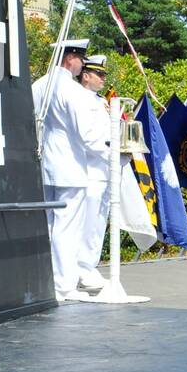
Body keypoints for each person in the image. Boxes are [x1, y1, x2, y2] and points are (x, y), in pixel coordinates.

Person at [33, 39, 111, 301]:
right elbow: (88, 136)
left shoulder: (38, 86)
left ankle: (47, 281)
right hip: (71, 168)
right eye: (80, 59)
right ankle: (63, 286)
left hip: (47, 165)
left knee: (49, 226)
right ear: (70, 59)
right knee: (67, 229)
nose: (82, 65)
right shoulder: (72, 90)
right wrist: (113, 153)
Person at [76, 56, 113, 293]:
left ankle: (89, 265)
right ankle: (80, 268)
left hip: (104, 171)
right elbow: (87, 138)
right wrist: (111, 152)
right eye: (99, 74)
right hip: (88, 169)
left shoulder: (100, 101)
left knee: (99, 222)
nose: (103, 79)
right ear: (86, 75)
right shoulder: (80, 99)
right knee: (87, 223)